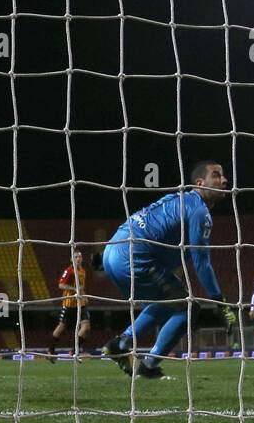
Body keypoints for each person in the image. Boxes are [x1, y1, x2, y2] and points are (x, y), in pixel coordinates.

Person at [98, 161, 234, 379]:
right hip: (135, 256)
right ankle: (148, 364)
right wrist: (220, 302)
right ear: (200, 183)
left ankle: (121, 344)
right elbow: (202, 262)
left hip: (112, 250)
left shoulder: (178, 198)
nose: (224, 180)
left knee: (165, 303)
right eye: (216, 176)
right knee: (188, 309)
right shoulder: (199, 212)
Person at [49, 248, 91, 361]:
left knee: (86, 327)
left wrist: (84, 295)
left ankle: (74, 351)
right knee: (62, 326)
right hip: (69, 304)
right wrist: (74, 289)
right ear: (71, 259)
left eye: (79, 257)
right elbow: (61, 285)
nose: (78, 259)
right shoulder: (69, 271)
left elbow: (81, 287)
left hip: (80, 304)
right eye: (76, 257)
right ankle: (51, 350)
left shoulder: (82, 271)